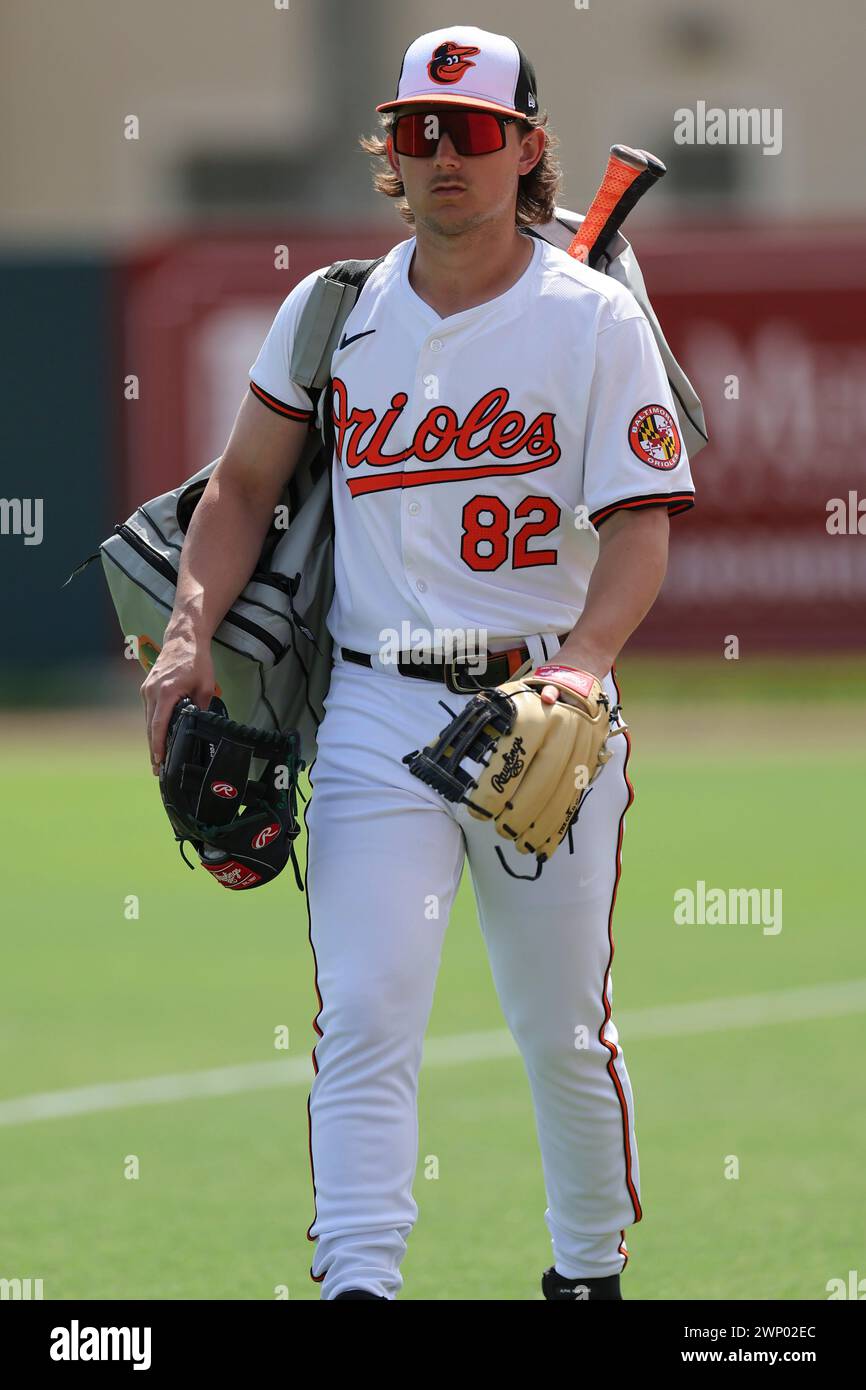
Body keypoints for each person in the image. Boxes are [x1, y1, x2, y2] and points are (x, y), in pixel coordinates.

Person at [142, 24, 695, 1301]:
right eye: (413, 130)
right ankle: (358, 1282)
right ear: (388, 151)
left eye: (472, 131)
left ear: (528, 150)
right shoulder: (333, 307)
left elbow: (639, 527)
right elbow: (238, 487)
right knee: (367, 1019)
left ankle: (586, 1273)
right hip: (372, 702)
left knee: (563, 1033)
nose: (439, 153)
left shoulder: (592, 317)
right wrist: (184, 632)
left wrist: (584, 662)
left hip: (537, 705)